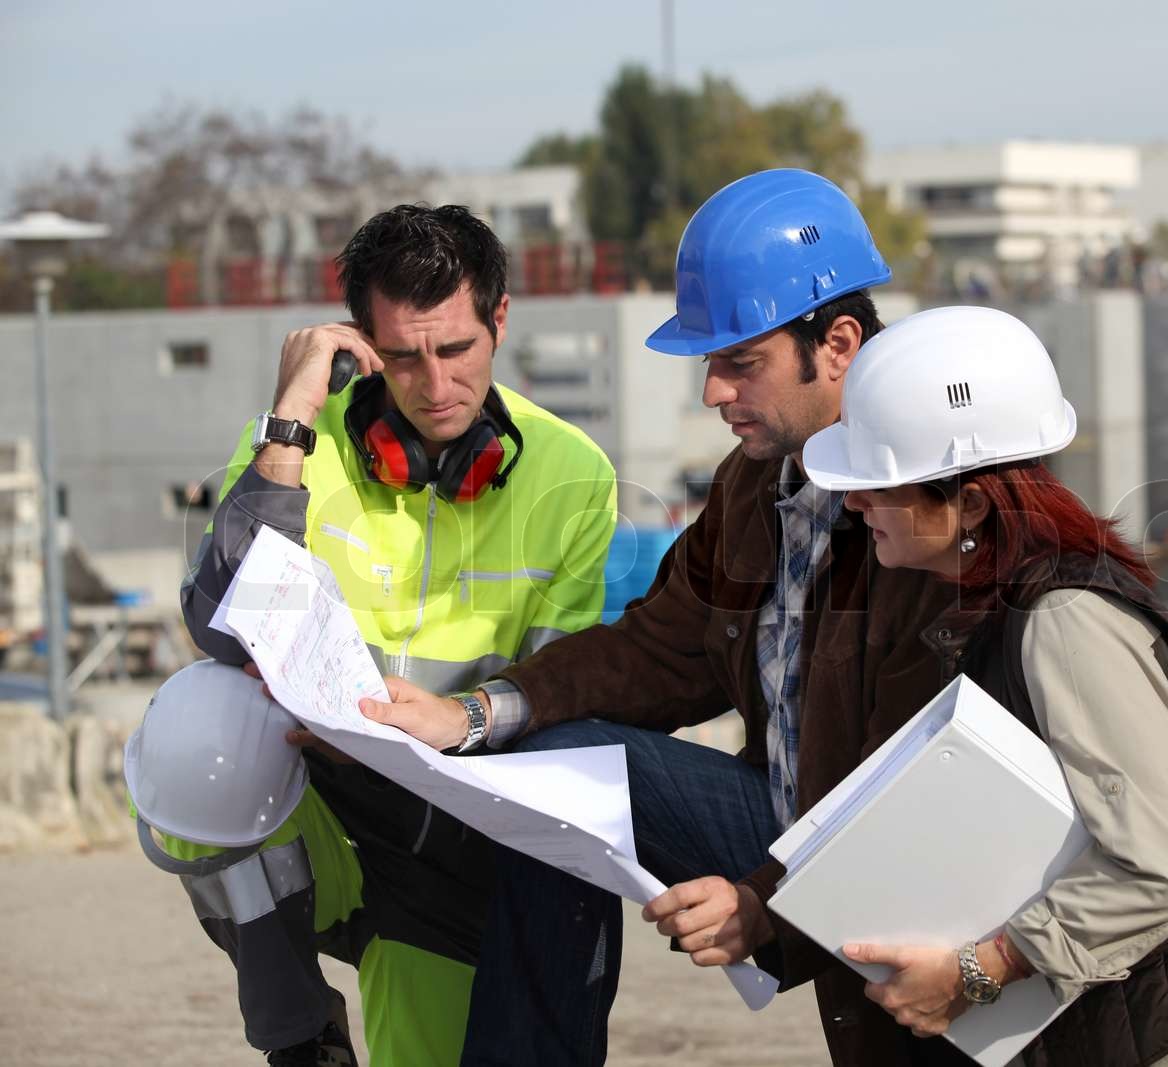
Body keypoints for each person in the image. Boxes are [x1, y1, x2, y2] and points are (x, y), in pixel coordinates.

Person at [360, 169, 958, 1066]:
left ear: (837, 345)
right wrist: (478, 713)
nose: (713, 393)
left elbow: (935, 784)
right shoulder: (755, 483)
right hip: (792, 818)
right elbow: (658, 646)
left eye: (739, 363)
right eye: (708, 365)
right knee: (554, 767)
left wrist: (765, 896)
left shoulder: (936, 502)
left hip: (933, 858)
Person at [796, 305, 1168, 1065]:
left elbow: (1158, 865)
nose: (855, 503)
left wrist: (976, 973)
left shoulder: (1065, 621)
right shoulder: (1019, 607)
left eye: (880, 486)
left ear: (974, 503)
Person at [160, 204, 617, 1065]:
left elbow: (567, 692)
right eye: (402, 356)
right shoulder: (295, 445)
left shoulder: (575, 471)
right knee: (195, 727)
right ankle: (301, 1037)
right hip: (314, 807)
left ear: (502, 320)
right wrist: (290, 415)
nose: (434, 384)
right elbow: (216, 628)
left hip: (453, 836)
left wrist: (451, 731)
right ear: (359, 342)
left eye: (455, 350)